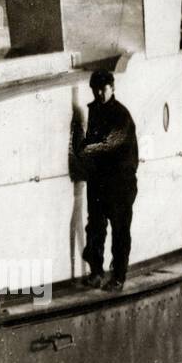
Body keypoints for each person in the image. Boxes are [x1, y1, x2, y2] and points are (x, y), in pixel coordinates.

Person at [74, 70, 139, 292]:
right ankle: (97, 272)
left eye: (103, 88)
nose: (99, 93)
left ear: (112, 87)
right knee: (95, 228)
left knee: (120, 231)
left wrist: (85, 148)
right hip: (99, 181)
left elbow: (109, 143)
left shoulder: (121, 116)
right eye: (96, 89)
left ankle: (118, 277)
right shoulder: (95, 111)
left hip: (120, 183)